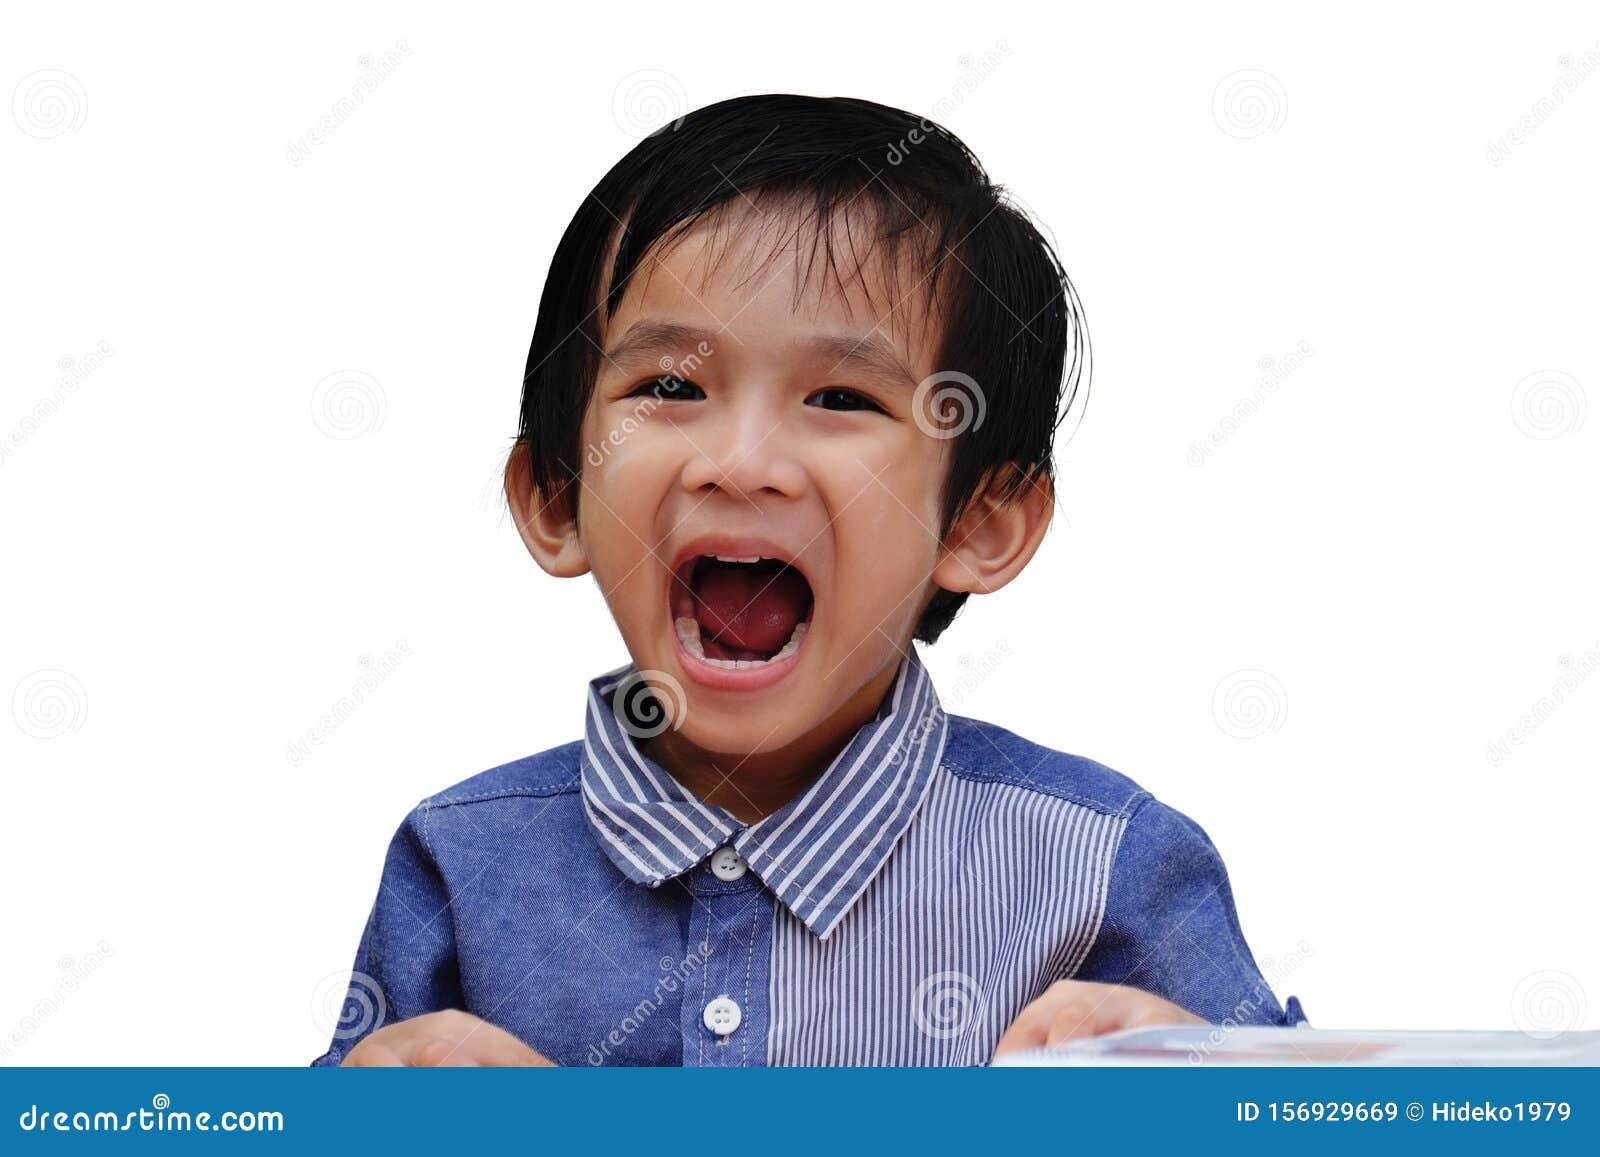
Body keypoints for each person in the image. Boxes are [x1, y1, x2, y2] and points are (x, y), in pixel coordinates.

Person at [313, 93, 1308, 1067]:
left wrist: (1200, 1086)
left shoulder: (1104, 867)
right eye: (670, 387)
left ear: (976, 521)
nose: (741, 461)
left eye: (840, 396)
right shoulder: (459, 863)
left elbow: (1337, 1118)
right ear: (556, 495)